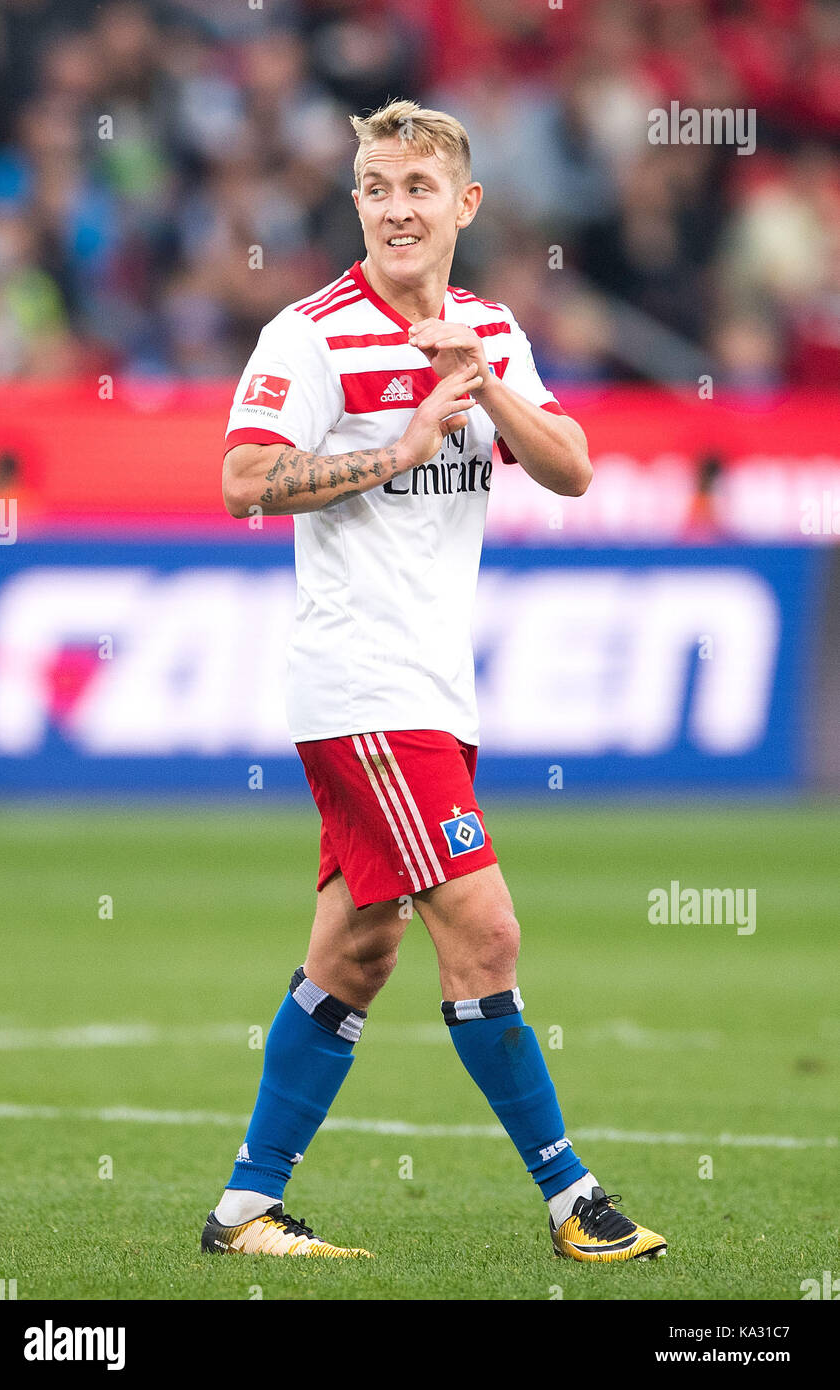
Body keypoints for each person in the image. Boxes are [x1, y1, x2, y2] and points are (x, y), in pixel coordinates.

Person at [202, 100, 667, 1263]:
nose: (395, 207)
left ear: (463, 204)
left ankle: (245, 1208)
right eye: (374, 186)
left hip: (432, 691)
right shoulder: (308, 334)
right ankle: (573, 1203)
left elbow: (569, 469)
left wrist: (484, 384)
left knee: (357, 952)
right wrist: (397, 448)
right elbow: (243, 479)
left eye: (418, 187)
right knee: (487, 931)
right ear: (353, 202)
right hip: (361, 689)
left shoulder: (489, 327)